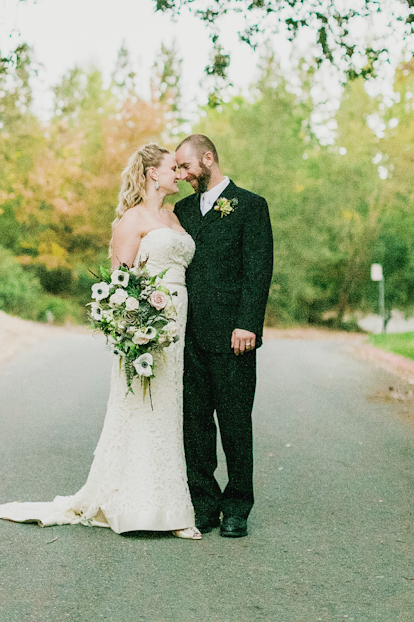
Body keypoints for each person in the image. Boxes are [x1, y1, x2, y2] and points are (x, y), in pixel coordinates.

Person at [0, 143, 202, 539]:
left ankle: (171, 507)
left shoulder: (174, 216)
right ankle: (139, 508)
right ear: (153, 173)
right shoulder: (131, 220)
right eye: (173, 168)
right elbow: (119, 285)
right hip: (146, 325)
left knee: (169, 409)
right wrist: (137, 329)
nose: (180, 174)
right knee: (142, 406)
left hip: (179, 321)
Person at [174, 134, 273, 538]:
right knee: (194, 425)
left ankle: (237, 508)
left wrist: (248, 322)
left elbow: (258, 269)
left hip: (235, 337)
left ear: (208, 159)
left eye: (184, 166)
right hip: (187, 337)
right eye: (177, 169)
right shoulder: (180, 210)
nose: (180, 175)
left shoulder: (251, 206)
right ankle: (204, 503)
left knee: (234, 424)